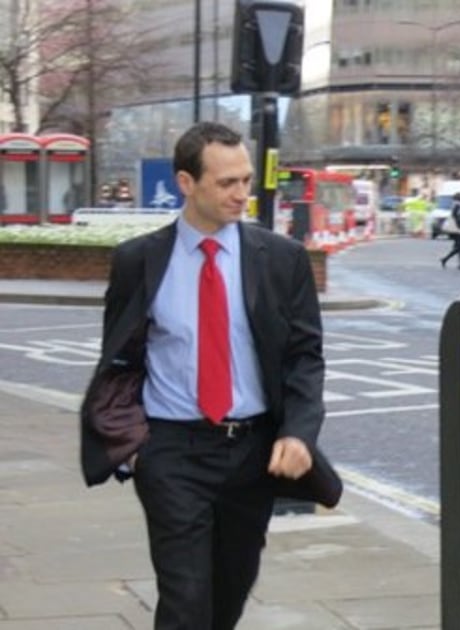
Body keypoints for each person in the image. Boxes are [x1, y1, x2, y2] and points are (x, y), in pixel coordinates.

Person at [79, 122, 341, 630]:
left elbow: (305, 356)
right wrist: (135, 447)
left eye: (245, 180)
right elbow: (120, 358)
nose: (242, 193)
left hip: (253, 451)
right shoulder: (138, 261)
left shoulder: (281, 260)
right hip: (172, 450)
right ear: (186, 182)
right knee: (185, 598)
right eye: (226, 183)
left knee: (229, 592)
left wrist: (299, 432)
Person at [440, 191, 460, 271]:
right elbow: (459, 219)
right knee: (458, 248)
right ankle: (445, 259)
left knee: (459, 247)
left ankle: (459, 264)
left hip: (457, 229)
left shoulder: (454, 206)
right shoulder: (458, 206)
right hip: (459, 230)